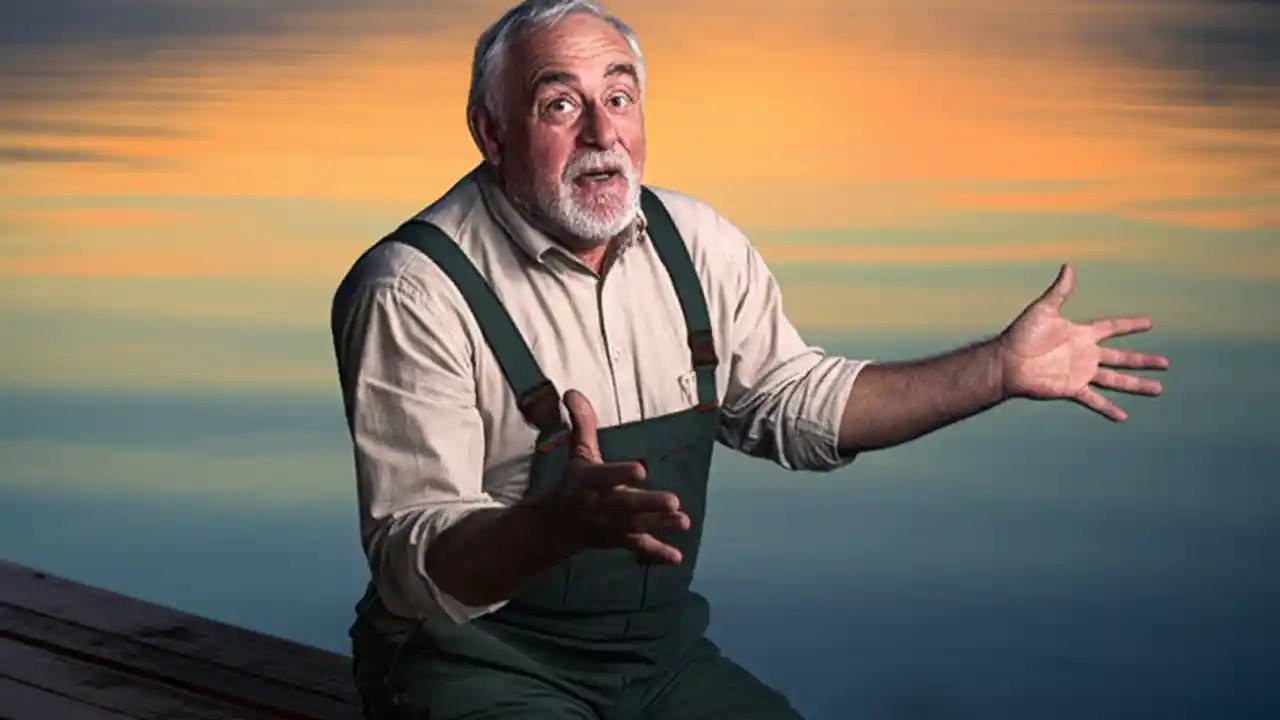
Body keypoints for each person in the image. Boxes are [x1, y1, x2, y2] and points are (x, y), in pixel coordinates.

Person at [329, 1, 1169, 718]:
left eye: (619, 99)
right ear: (491, 131)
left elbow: (797, 404)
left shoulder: (696, 245)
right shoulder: (412, 290)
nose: (601, 133)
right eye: (560, 105)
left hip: (655, 663)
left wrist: (995, 370)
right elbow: (413, 564)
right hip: (473, 663)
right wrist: (550, 526)